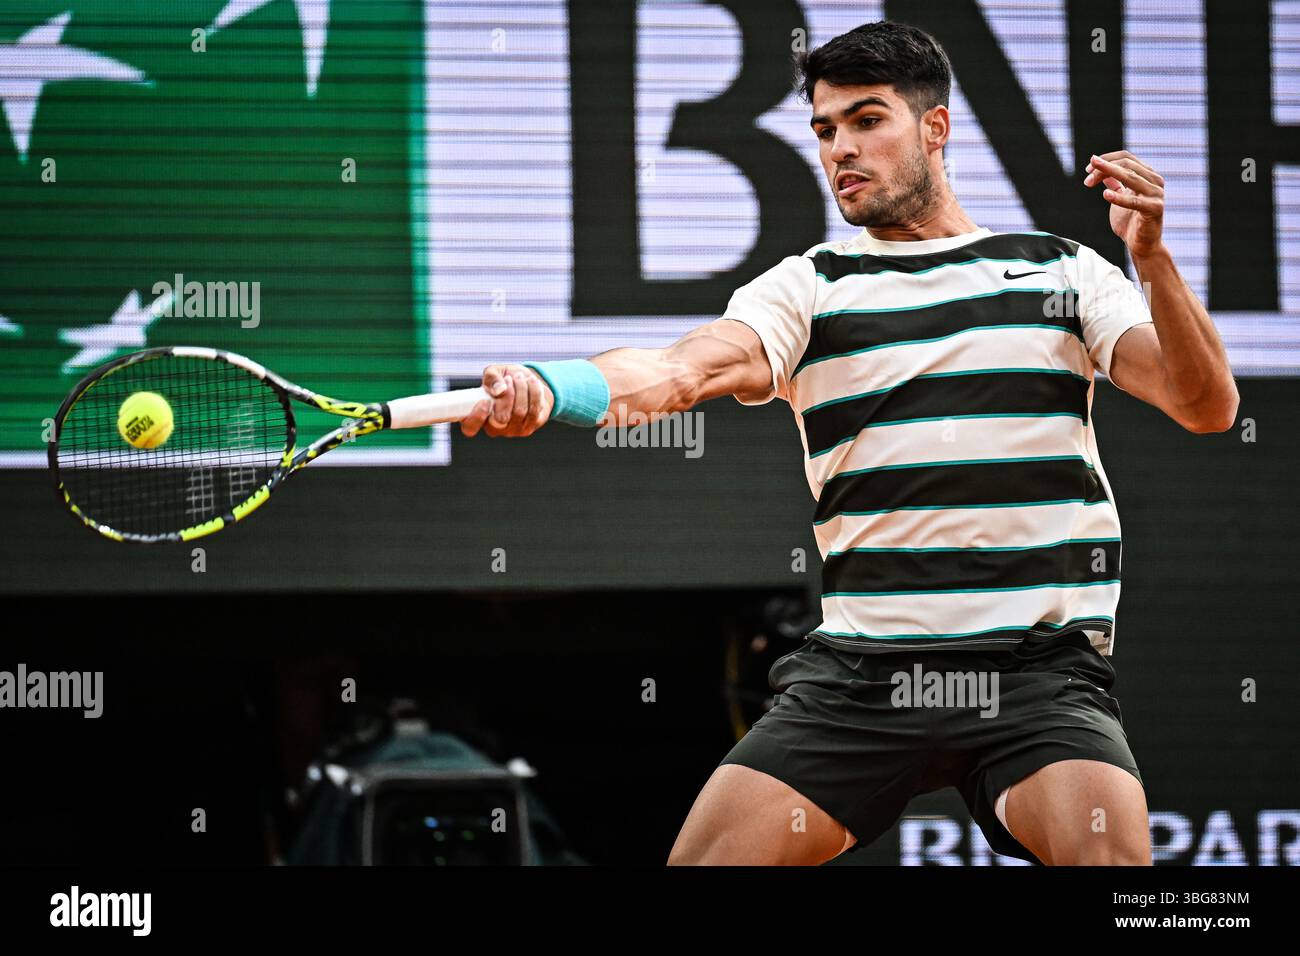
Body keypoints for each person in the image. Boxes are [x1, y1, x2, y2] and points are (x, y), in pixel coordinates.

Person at [459, 21, 1239, 865]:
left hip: (1035, 675)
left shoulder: (1060, 272)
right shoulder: (810, 287)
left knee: (1115, 867)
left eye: (868, 121)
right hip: (863, 678)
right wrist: (559, 388)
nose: (842, 150)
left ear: (934, 128)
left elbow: (1204, 406)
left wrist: (1152, 262)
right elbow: (678, 371)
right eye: (826, 129)